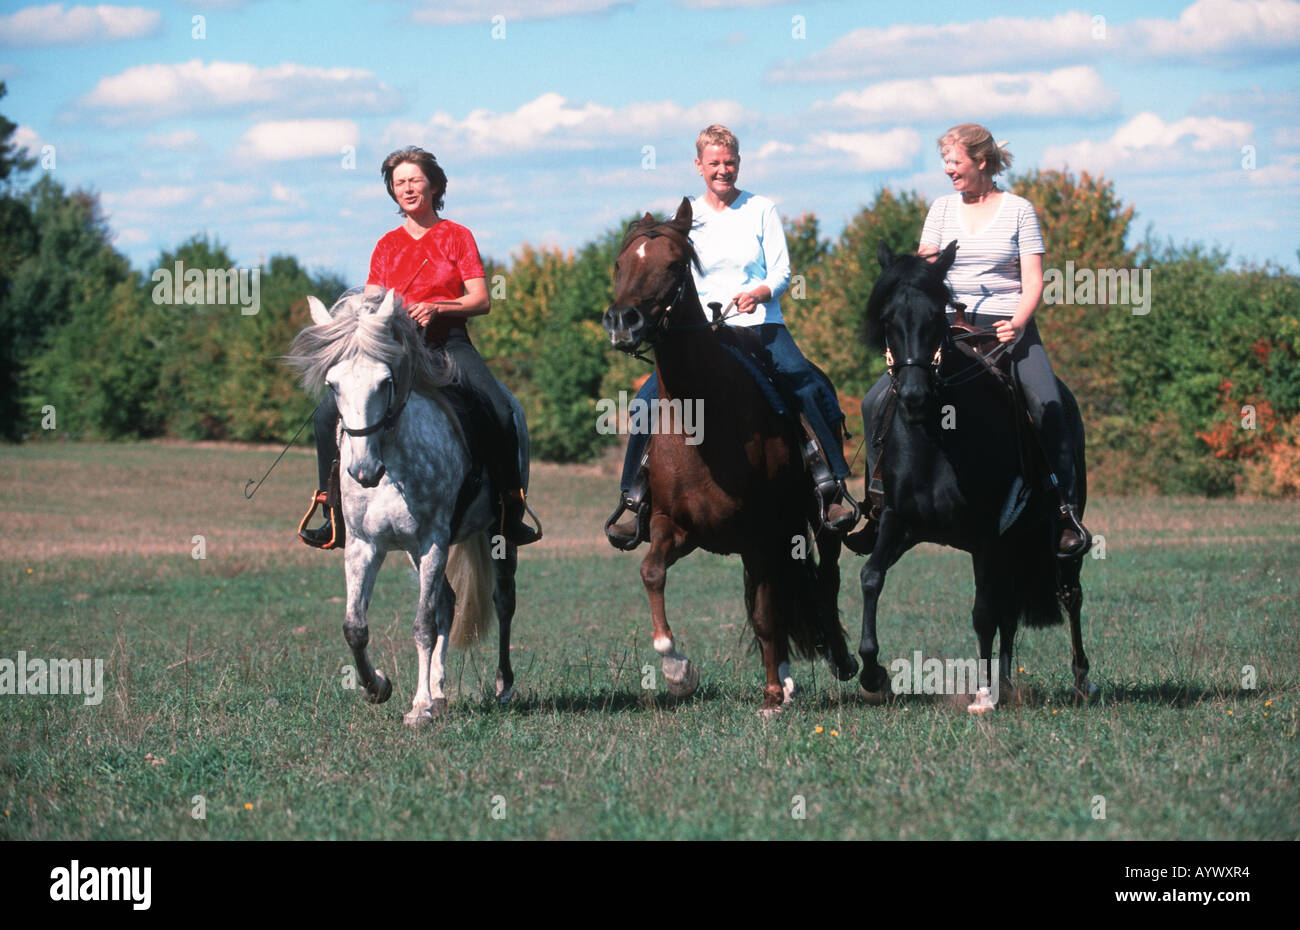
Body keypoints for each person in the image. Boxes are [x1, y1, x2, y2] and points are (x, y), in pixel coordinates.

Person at [606, 124, 859, 549]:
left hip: (760, 326)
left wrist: (757, 293)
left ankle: (830, 485)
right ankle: (634, 499)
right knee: (646, 402)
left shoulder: (761, 208)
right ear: (698, 166)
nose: (723, 170)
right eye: (714, 163)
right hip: (703, 334)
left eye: (730, 162)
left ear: (738, 163)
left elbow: (781, 272)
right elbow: (673, 276)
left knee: (807, 386)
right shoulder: (684, 218)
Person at [860, 122, 1089, 556]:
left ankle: (1064, 512)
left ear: (980, 162)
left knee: (1047, 404)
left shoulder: (1019, 210)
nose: (948, 170)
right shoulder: (942, 210)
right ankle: (879, 503)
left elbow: (1035, 279)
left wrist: (1019, 322)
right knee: (875, 401)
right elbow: (920, 274)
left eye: (955, 162)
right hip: (950, 330)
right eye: (945, 162)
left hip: (1007, 327)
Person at [300, 146, 540, 548]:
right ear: (392, 193)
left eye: (414, 180)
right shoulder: (387, 245)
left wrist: (439, 306)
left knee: (498, 409)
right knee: (326, 415)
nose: (407, 189)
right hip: (396, 351)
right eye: (399, 183)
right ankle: (333, 511)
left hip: (449, 344)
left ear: (434, 185)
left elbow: (481, 300)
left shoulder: (457, 236)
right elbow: (373, 301)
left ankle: (507, 511)